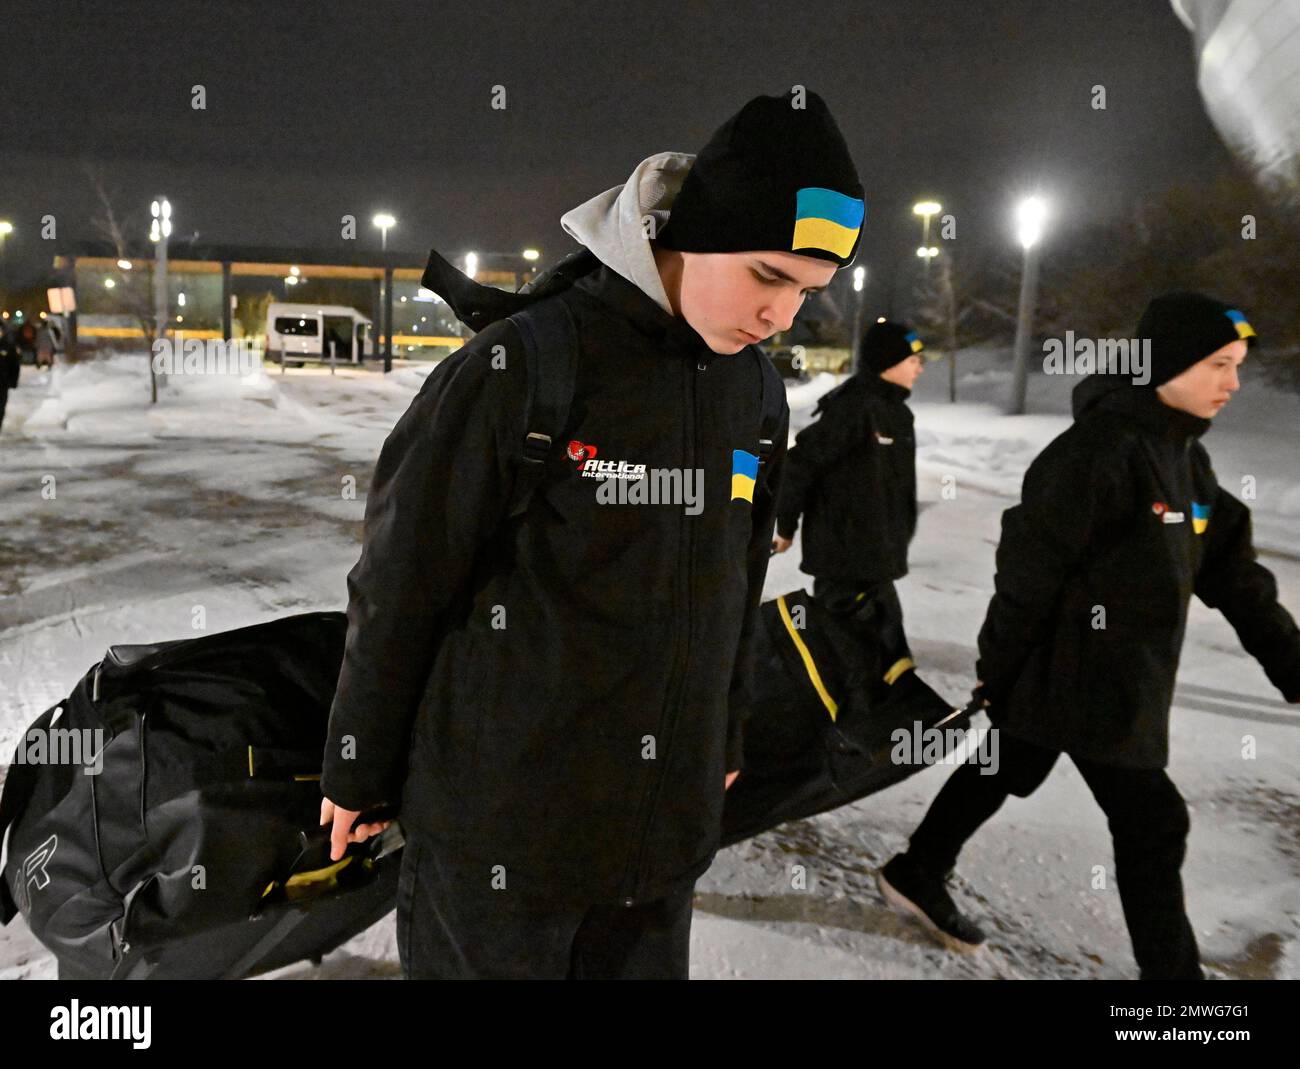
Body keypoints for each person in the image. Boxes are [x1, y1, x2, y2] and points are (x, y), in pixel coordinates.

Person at [319, 89, 866, 979]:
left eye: (807, 293)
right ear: (697, 233)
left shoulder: (756, 395)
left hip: (656, 855)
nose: (781, 315)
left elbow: (733, 587)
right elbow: (400, 579)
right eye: (768, 275)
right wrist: (357, 762)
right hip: (499, 847)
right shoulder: (528, 364)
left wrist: (722, 740)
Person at [876, 292, 1300, 979]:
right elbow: (1028, 569)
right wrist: (999, 666)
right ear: (1167, 364)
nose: (1234, 382)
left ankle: (917, 867)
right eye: (1220, 364)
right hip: (1086, 682)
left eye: (1239, 365)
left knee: (1008, 765)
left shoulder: (1188, 464)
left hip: (1109, 682)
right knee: (1154, 825)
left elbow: (1239, 579)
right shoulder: (1102, 451)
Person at [772, 319, 926, 698]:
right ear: (888, 362)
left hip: (875, 556)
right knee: (848, 655)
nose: (919, 367)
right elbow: (800, 464)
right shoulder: (855, 408)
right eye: (912, 359)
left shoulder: (897, 413)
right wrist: (785, 526)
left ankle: (860, 721)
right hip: (843, 557)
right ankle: (831, 724)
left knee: (871, 655)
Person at [0, 324, 20, 433]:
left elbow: (14, 364)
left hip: (2, 383)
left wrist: (13, 381)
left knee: (1, 407)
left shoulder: (7, 346)